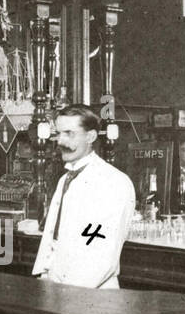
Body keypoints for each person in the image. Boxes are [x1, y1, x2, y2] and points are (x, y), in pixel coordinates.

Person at [32, 104, 136, 289]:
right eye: (58, 133)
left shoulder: (113, 182)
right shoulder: (65, 178)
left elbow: (102, 252)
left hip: (89, 294)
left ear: (91, 136)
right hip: (56, 288)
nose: (60, 141)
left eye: (69, 133)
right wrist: (44, 275)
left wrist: (70, 294)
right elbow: (51, 237)